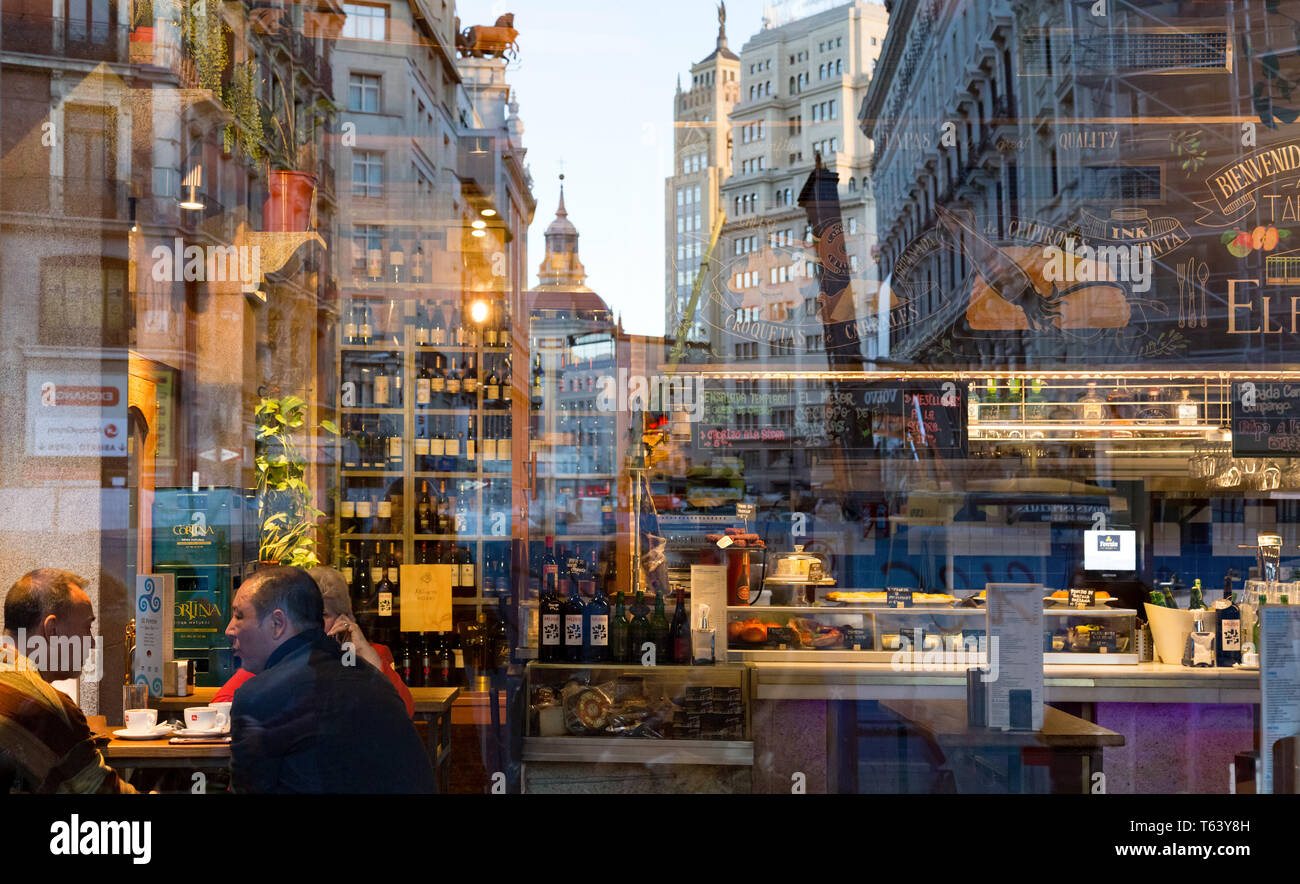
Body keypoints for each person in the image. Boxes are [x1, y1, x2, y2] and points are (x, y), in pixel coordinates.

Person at [224, 566, 434, 793]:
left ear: (277, 624)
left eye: (239, 616)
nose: (229, 629)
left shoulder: (259, 695)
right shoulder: (371, 675)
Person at [0, 569, 137, 793]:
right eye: (87, 627)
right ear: (52, 631)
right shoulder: (47, 708)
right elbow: (103, 791)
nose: (92, 643)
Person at [214, 567, 415, 718]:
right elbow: (221, 704)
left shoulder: (368, 655)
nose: (314, 624)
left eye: (323, 616)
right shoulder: (275, 657)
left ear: (343, 619)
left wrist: (368, 659)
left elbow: (403, 711)